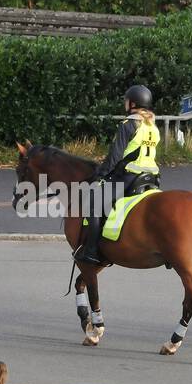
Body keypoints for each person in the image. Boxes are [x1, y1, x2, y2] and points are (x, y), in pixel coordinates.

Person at [74, 84, 161, 266]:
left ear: (133, 103)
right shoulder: (152, 126)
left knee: (95, 203)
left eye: (127, 101)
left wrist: (101, 175)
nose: (125, 104)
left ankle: (91, 251)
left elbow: (115, 155)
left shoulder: (129, 125)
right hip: (151, 178)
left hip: (129, 176)